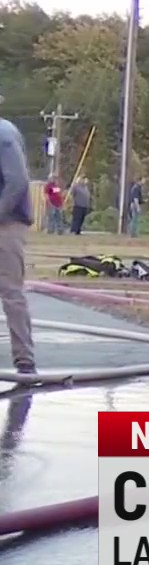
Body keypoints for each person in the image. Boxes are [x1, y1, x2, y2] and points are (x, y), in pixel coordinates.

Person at [0, 98, 35, 375]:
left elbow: (17, 181)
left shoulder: (4, 134)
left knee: (11, 291)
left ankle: (24, 360)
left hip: (7, 224)